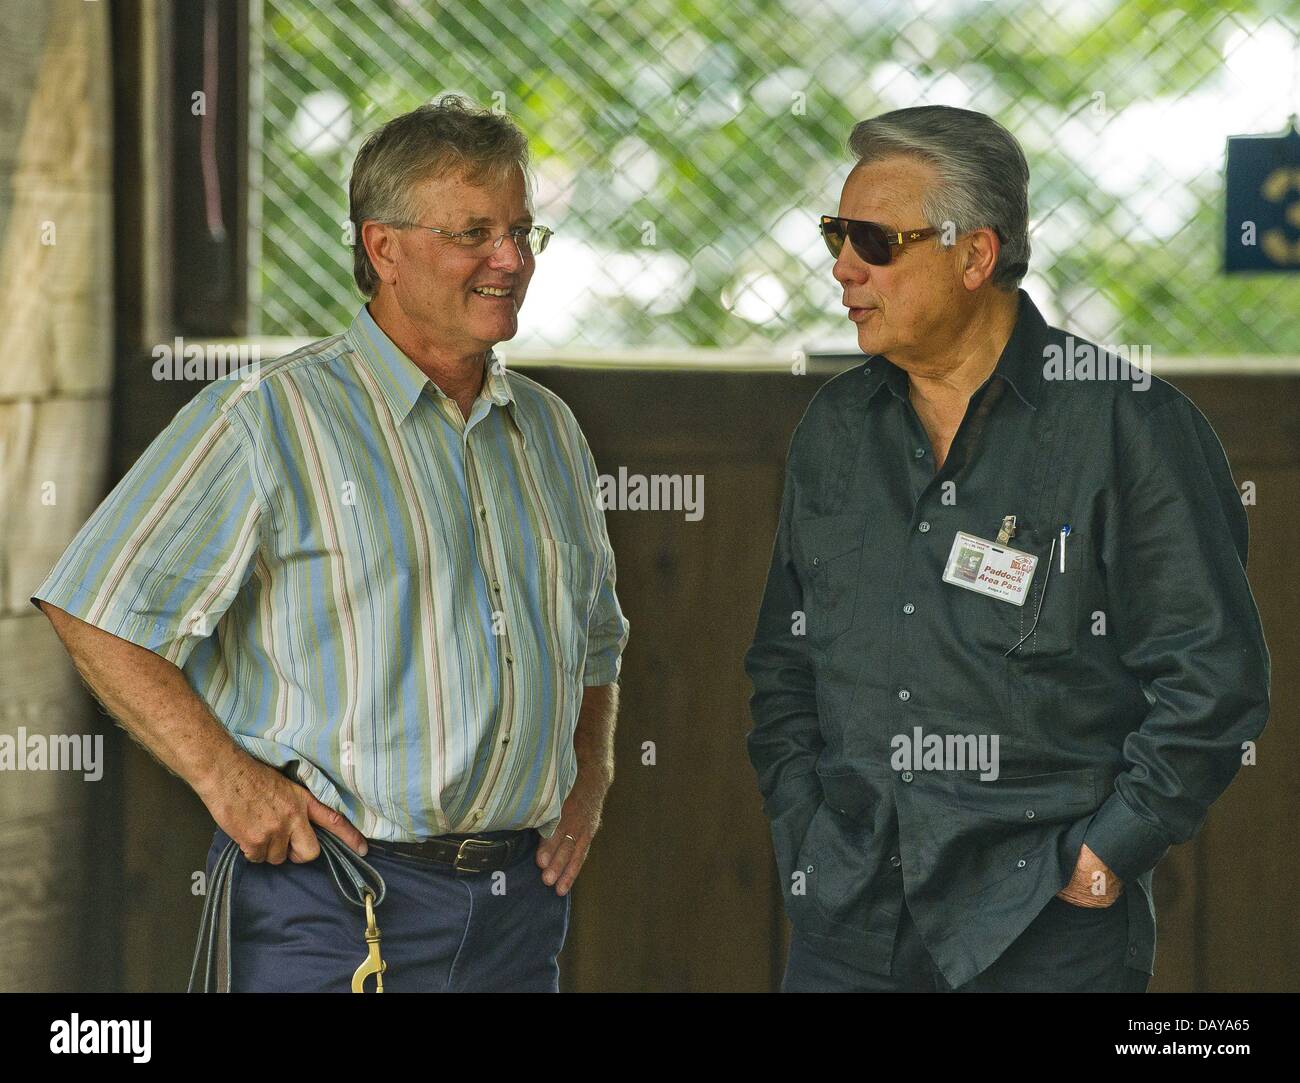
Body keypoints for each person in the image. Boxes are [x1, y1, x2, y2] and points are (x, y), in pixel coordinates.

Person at [32, 96, 629, 992]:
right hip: (330, 907)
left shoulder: (550, 431)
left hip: (517, 910)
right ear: (383, 247)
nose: (511, 260)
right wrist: (228, 779)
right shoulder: (267, 418)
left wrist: (592, 774)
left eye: (521, 230)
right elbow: (95, 605)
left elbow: (596, 638)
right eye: (474, 232)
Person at [743, 105, 1269, 992]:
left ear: (975, 255)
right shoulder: (833, 429)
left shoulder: (1128, 428)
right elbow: (783, 666)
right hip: (850, 919)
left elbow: (1212, 679)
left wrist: (1108, 853)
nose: (842, 266)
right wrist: (805, 825)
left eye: (873, 239)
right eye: (837, 232)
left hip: (1040, 930)